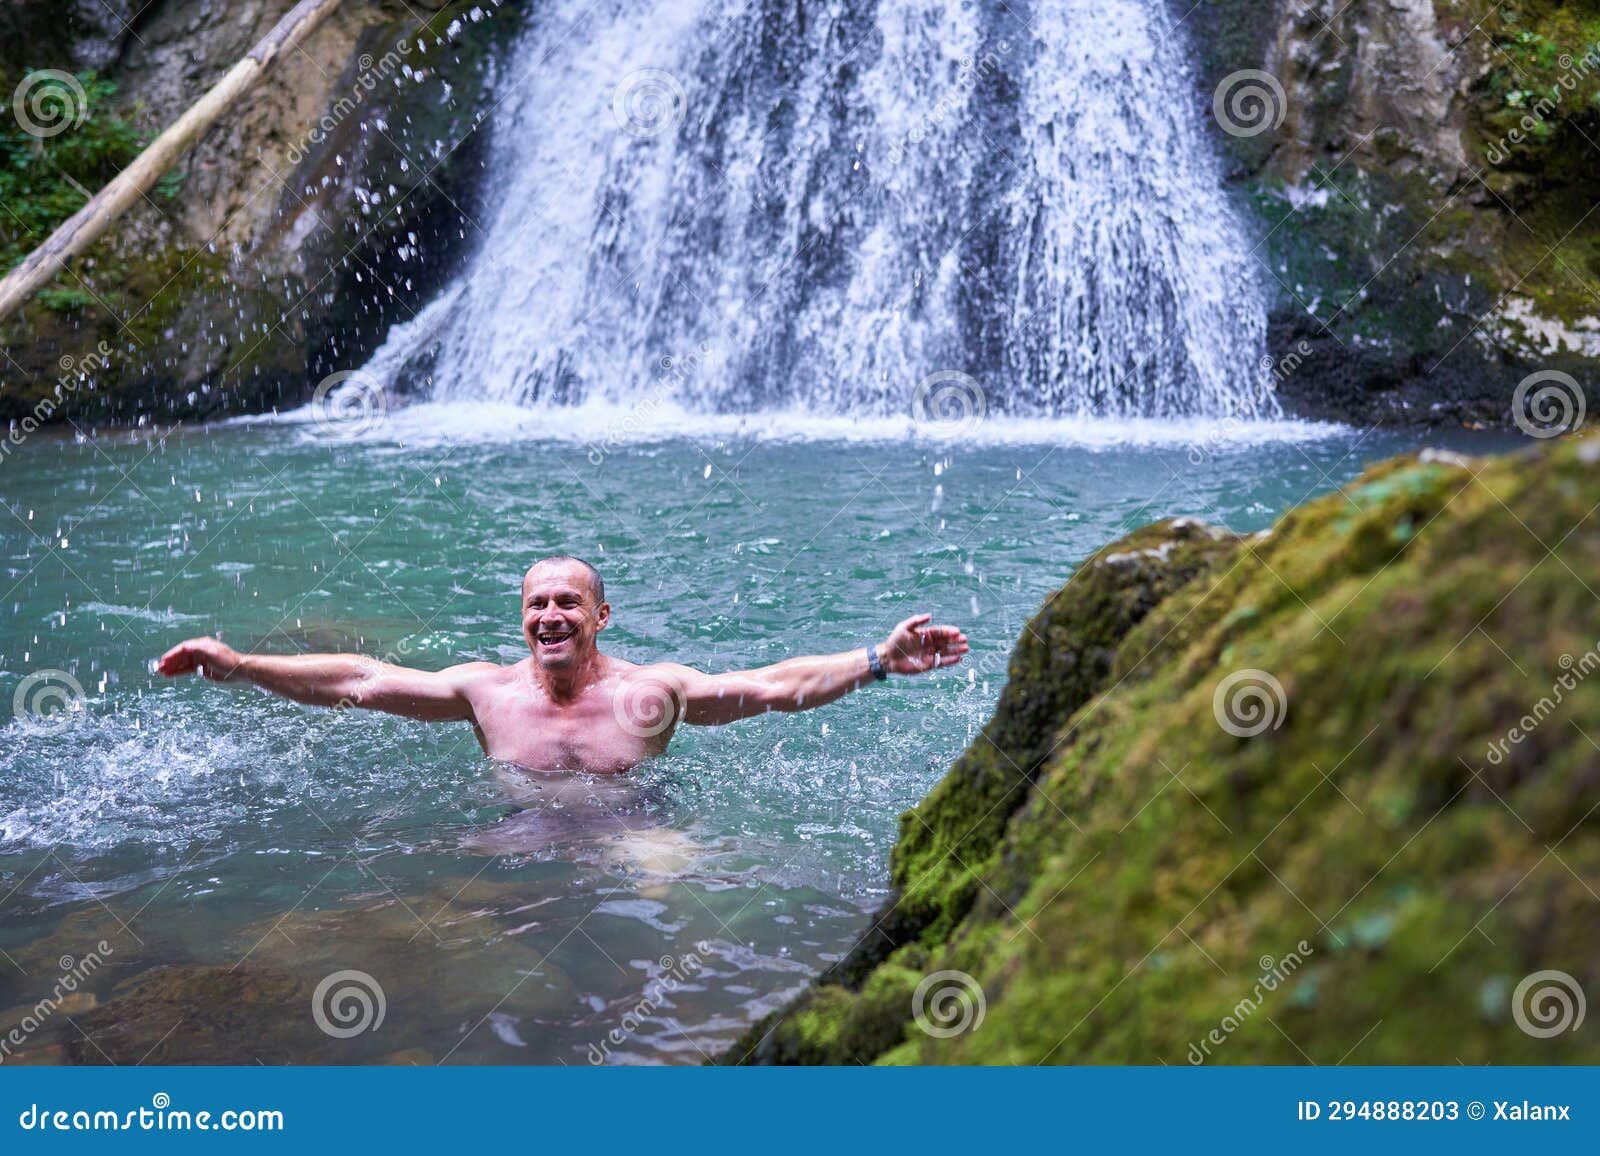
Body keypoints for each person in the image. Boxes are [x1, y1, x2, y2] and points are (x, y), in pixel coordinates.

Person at [157, 555, 969, 775]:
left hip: (632, 833)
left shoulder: (655, 692)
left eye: (568, 604)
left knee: (671, 887)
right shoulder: (483, 692)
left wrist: (878, 659)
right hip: (514, 834)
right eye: (537, 604)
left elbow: (773, 686)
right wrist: (240, 664)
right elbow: (357, 680)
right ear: (522, 617)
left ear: (600, 617)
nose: (551, 615)